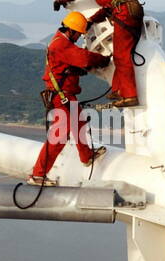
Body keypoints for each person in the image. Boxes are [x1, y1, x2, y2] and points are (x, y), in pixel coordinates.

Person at [28, 11, 108, 186]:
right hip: (62, 95)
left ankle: (86, 155)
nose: (80, 36)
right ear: (71, 30)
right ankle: (38, 175)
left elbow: (69, 63)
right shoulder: (61, 45)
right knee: (58, 137)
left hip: (62, 95)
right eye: (79, 33)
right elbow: (84, 58)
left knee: (78, 124)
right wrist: (104, 59)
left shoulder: (60, 41)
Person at [53, 0, 144, 107]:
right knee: (122, 53)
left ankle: (130, 96)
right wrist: (91, 20)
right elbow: (110, 6)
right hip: (133, 10)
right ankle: (118, 89)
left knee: (122, 56)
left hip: (124, 13)